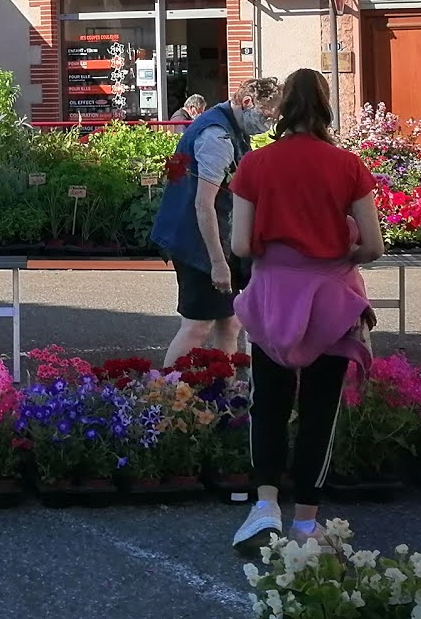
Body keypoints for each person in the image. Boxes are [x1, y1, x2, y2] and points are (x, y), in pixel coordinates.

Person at [225, 68, 384, 552]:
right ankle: (307, 522)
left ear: (281, 109)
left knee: (268, 404)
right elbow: (374, 245)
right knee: (320, 411)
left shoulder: (255, 165)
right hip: (332, 301)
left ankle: (264, 507)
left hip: (274, 296)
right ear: (326, 107)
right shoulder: (348, 165)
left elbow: (239, 245)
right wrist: (341, 255)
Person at [149, 77, 282, 367]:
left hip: (207, 236)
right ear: (248, 103)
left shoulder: (225, 125)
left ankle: (226, 392)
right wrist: (218, 263)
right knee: (197, 326)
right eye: (268, 116)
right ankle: (164, 396)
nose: (269, 125)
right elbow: (203, 204)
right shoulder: (216, 136)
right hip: (196, 242)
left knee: (230, 322)